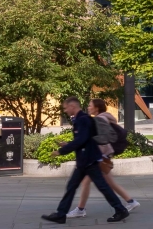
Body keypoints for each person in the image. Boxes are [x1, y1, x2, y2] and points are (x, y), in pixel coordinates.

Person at [41, 96, 128, 224]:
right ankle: (61, 214)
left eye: (66, 108)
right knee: (72, 186)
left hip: (89, 160)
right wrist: (69, 144)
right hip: (86, 159)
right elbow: (84, 139)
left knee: (102, 186)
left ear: (72, 107)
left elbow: (81, 140)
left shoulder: (83, 120)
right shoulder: (82, 120)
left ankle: (120, 209)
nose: (65, 111)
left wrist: (61, 151)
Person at [67, 98, 140, 219]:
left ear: (96, 108)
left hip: (100, 156)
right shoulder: (105, 117)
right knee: (108, 183)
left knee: (88, 183)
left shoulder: (100, 120)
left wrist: (98, 156)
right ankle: (131, 201)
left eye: (90, 105)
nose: (88, 107)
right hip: (103, 155)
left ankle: (80, 209)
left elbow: (102, 140)